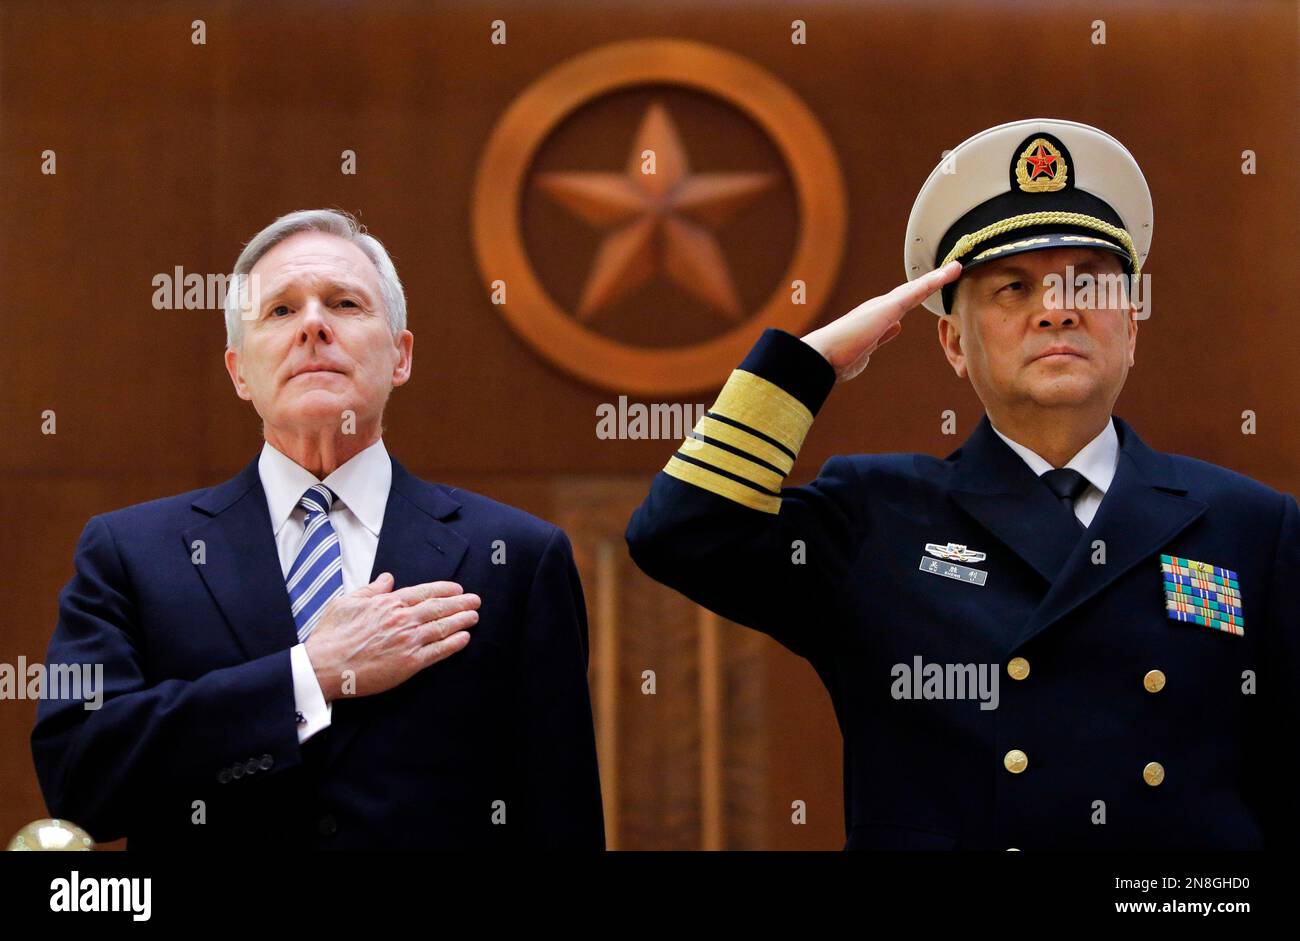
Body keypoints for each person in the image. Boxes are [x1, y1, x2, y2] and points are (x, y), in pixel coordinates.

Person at [626, 119, 1298, 850]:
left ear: (1132, 327)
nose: (1058, 308)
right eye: (1015, 287)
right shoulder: (877, 515)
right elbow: (681, 532)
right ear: (953, 343)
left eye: (1088, 282)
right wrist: (806, 366)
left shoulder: (1251, 525)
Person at [32, 209, 605, 849]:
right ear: (238, 372)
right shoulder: (130, 554)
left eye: (344, 303)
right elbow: (80, 779)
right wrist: (312, 674)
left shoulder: (519, 558)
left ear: (400, 356)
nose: (313, 325)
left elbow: (562, 820)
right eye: (280, 311)